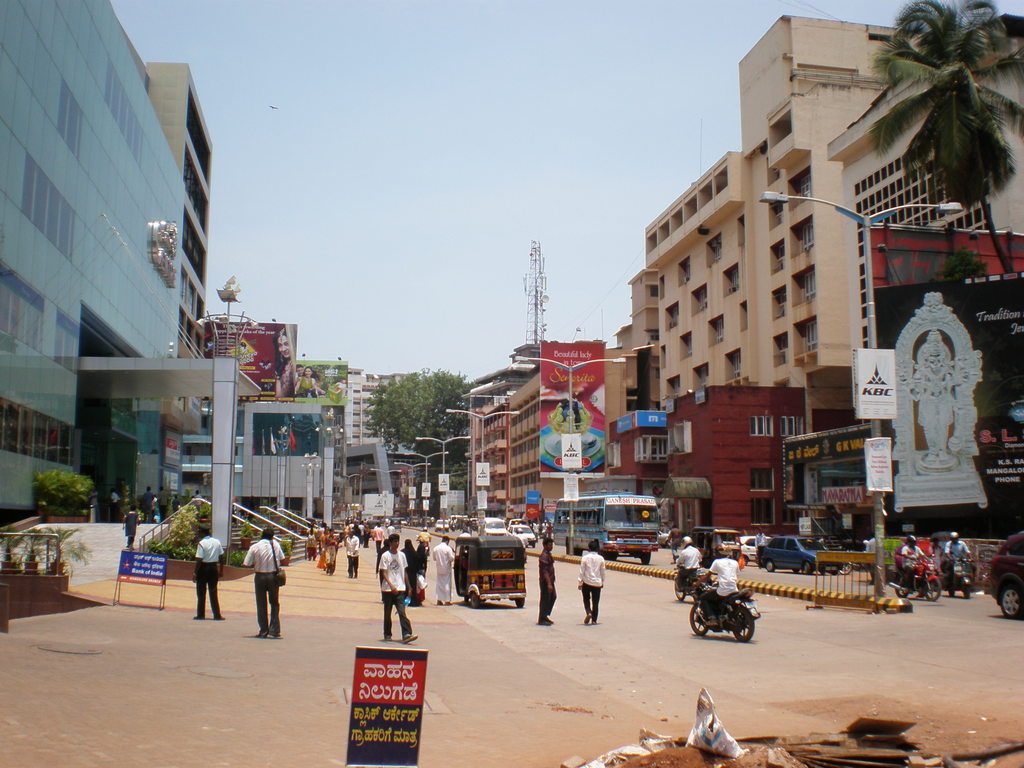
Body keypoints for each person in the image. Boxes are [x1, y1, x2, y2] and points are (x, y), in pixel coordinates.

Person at [243, 528, 286, 639]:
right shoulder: (276, 545)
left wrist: (256, 564)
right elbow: (282, 558)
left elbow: (246, 564)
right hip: (273, 577)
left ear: (262, 535)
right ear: (272, 536)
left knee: (261, 604)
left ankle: (263, 631)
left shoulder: (255, 546)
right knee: (274, 603)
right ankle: (274, 629)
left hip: (260, 577)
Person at [379, 534, 417, 643]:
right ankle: (387, 633)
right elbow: (384, 572)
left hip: (400, 588)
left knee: (401, 612)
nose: (396, 543)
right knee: (387, 613)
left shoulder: (402, 556)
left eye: (397, 541)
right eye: (394, 541)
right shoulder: (385, 556)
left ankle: (406, 633)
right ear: (390, 543)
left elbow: (404, 572)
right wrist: (391, 586)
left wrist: (409, 587)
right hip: (388, 590)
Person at [701, 546, 740, 627]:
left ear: (720, 553)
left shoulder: (717, 562)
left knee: (703, 597)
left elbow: (707, 575)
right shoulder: (735, 563)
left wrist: (697, 583)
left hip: (723, 590)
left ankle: (712, 618)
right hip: (734, 589)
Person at [193, 527, 225, 621]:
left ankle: (201, 614)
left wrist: (195, 572)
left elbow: (199, 559)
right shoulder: (217, 542)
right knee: (213, 592)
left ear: (203, 533)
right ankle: (217, 615)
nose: (198, 534)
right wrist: (221, 570)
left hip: (203, 568)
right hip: (214, 568)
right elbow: (221, 557)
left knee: (201, 592)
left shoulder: (202, 543)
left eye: (199, 532)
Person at [578, 539, 606, 625]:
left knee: (586, 599)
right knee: (595, 602)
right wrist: (602, 581)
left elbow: (581, 571)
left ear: (589, 549)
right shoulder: (601, 558)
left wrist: (579, 583)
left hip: (587, 582)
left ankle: (588, 612)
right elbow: (603, 572)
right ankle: (594, 620)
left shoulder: (585, 558)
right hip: (597, 583)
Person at [273, 326, 297, 399]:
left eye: (286, 344)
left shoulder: (296, 365)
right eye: (280, 345)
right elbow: (279, 396)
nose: (283, 349)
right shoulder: (281, 365)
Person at [538, 536, 556, 625]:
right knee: (545, 599)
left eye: (552, 545)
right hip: (546, 581)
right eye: (549, 545)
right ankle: (542, 618)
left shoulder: (548, 554)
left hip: (550, 580)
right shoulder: (544, 556)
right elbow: (544, 571)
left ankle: (545, 615)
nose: (551, 547)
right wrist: (549, 583)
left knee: (552, 597)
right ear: (544, 545)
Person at [432, 535, 455, 605]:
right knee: (447, 584)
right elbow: (451, 558)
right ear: (447, 541)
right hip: (447, 569)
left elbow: (434, 558)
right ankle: (447, 600)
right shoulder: (448, 549)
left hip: (439, 569)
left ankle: (439, 600)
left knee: (439, 585)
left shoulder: (436, 548)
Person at [403, 539, 422, 606]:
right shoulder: (414, 553)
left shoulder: (402, 552)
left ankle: (405, 601)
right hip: (413, 573)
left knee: (405, 586)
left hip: (404, 573)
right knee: (413, 587)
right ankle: (412, 601)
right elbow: (418, 563)